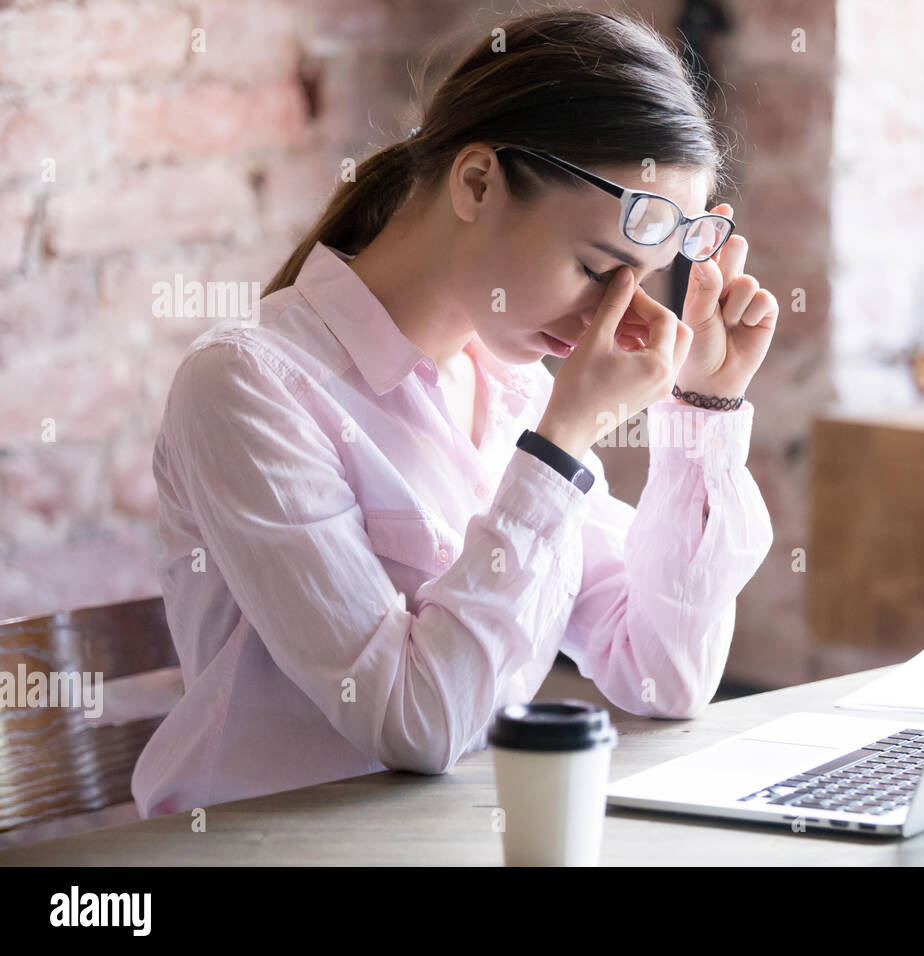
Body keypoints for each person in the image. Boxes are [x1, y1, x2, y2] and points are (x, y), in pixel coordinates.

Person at [132, 8, 778, 820]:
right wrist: (561, 447)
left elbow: (664, 675)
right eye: (594, 267)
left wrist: (705, 409)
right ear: (476, 182)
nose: (609, 318)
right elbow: (413, 725)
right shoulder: (248, 385)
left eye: (640, 281)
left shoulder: (513, 386)